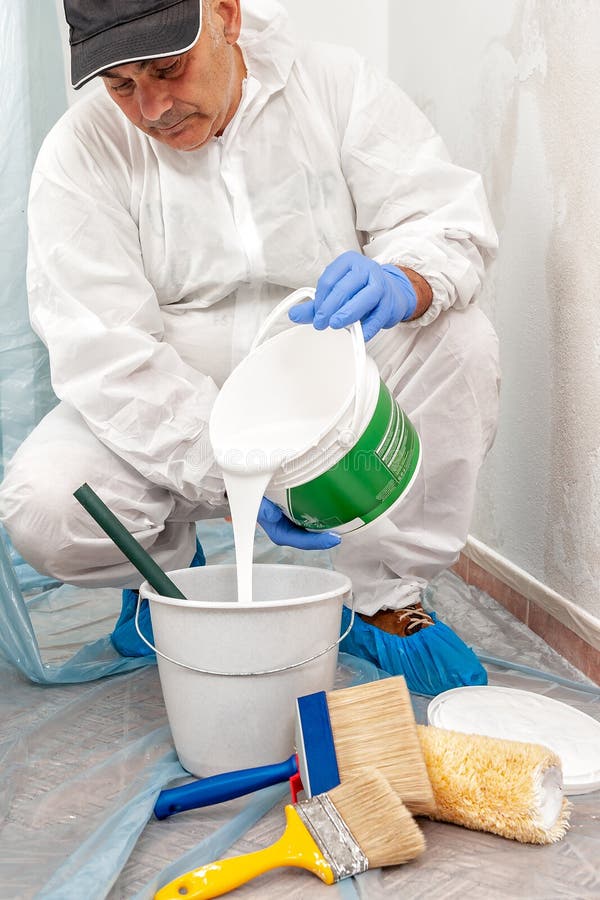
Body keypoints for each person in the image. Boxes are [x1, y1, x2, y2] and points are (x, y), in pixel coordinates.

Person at [0, 0, 500, 683]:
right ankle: (170, 582)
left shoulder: (333, 86)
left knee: (460, 336)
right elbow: (107, 356)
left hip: (322, 365)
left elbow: (442, 216)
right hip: (176, 376)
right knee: (45, 506)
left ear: (226, 16)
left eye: (167, 68)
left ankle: (385, 597)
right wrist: (235, 473)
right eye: (121, 86)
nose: (151, 109)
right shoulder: (79, 153)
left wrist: (402, 279)